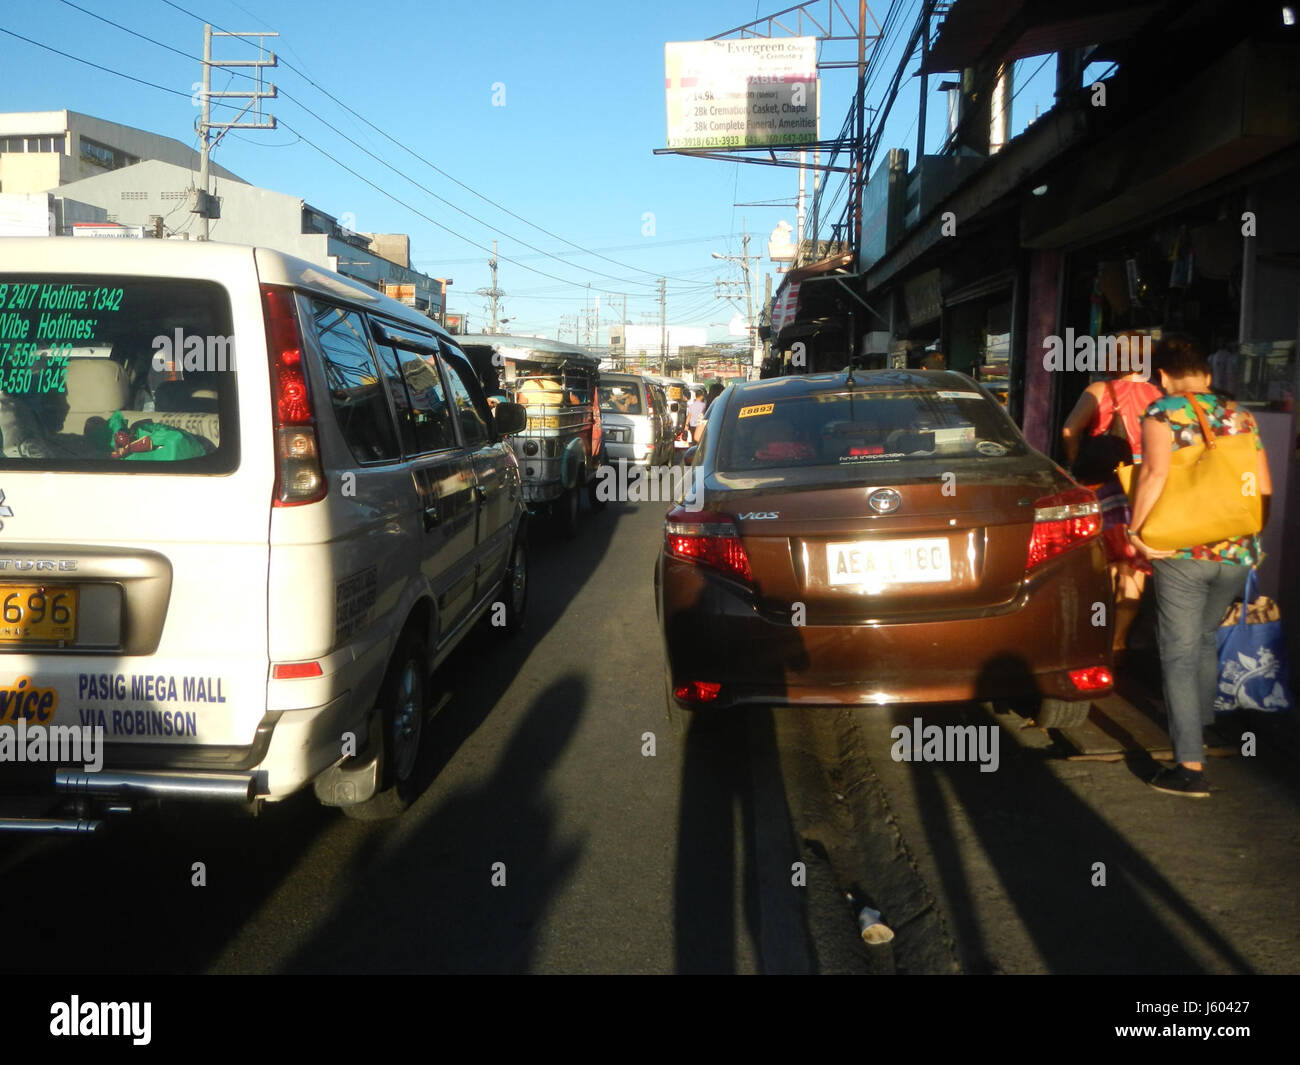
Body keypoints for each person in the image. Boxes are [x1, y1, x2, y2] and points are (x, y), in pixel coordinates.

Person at [1127, 333, 1272, 798]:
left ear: (1163, 377)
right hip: (1235, 554)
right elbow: (1262, 487)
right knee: (1206, 638)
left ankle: (1189, 766)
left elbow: (1153, 473)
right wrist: (1249, 541)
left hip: (1183, 553)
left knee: (1178, 653)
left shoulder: (1162, 412)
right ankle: (1203, 726)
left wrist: (1135, 532)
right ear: (1208, 376)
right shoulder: (1241, 415)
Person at [1060, 337, 1162, 657]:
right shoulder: (1159, 395)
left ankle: (1095, 636)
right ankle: (1118, 641)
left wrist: (1076, 464)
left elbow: (1068, 431)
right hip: (1141, 489)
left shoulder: (1099, 391)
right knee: (1133, 566)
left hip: (1102, 487)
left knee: (1103, 563)